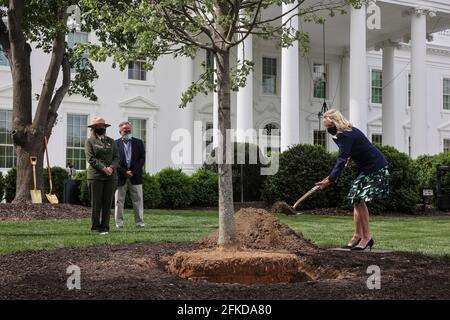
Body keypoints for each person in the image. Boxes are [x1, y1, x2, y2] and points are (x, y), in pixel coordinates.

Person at [315, 109, 389, 251]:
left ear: (335, 123)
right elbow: (349, 152)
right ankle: (357, 235)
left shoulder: (346, 134)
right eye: (326, 127)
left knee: (358, 198)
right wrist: (349, 157)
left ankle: (366, 237)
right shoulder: (345, 133)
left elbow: (341, 159)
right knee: (356, 199)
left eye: (329, 126)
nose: (328, 129)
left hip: (375, 167)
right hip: (366, 167)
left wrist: (330, 180)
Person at [85, 117, 119, 235]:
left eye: (103, 126)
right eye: (99, 126)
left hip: (111, 176)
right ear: (94, 128)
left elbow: (116, 157)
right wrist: (103, 168)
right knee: (96, 203)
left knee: (107, 203)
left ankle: (105, 227)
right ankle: (95, 227)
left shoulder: (111, 141)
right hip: (95, 176)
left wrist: (111, 168)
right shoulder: (90, 141)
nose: (101, 128)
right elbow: (91, 158)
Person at [114, 121, 146, 228]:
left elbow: (142, 159)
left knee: (138, 200)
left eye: (129, 130)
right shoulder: (115, 144)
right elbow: (114, 161)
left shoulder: (139, 142)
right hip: (120, 176)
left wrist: (132, 171)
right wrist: (124, 172)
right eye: (125, 130)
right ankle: (119, 223)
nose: (127, 132)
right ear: (120, 132)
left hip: (135, 176)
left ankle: (139, 222)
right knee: (119, 201)